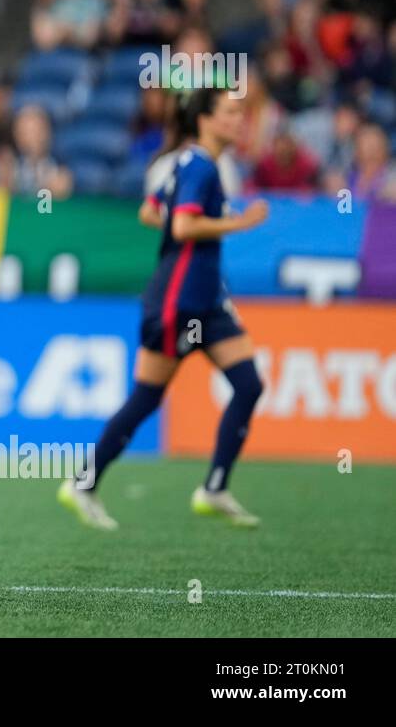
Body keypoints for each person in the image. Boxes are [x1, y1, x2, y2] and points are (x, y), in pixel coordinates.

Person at [59, 86, 270, 530]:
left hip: (207, 300)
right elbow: (183, 223)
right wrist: (240, 222)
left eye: (240, 113)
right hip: (178, 301)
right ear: (206, 120)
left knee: (249, 384)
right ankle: (84, 481)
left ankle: (214, 488)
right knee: (147, 396)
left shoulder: (189, 163)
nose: (239, 120)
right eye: (230, 113)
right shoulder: (201, 168)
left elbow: (151, 212)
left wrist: (190, 226)